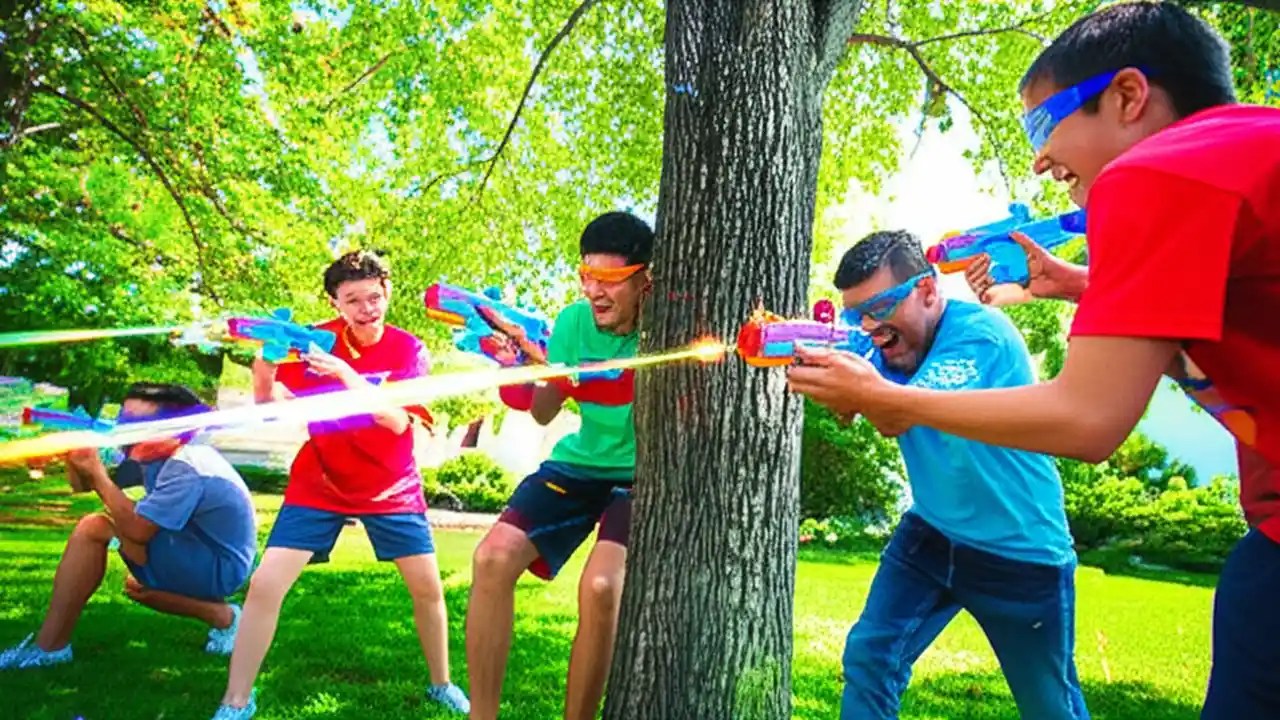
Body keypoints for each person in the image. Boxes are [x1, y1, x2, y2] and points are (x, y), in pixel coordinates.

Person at [786, 3, 1279, 719]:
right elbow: (1210, 330)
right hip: (941, 535)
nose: (1040, 160)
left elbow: (1088, 420)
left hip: (1023, 556)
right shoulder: (1237, 155)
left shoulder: (1155, 174)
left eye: (1043, 127)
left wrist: (890, 401)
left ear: (1129, 96)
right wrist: (1087, 286)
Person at [802, 231, 1088, 719]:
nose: (870, 328)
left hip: (1019, 553)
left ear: (928, 291)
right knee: (871, 656)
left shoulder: (981, 336)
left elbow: (900, 414)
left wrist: (857, 392)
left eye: (882, 307)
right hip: (932, 533)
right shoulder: (884, 348)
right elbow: (868, 400)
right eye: (857, 315)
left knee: (1050, 707)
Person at [211, 250, 468, 719]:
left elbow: (395, 422)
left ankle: (441, 684)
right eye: (354, 300)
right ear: (335, 302)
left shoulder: (408, 349)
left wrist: (346, 374)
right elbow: (266, 404)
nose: (367, 308)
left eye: (375, 296)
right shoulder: (311, 341)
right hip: (321, 479)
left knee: (427, 589)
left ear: (387, 292)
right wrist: (264, 363)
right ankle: (236, 700)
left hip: (391, 485)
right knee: (265, 585)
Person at [464, 211, 652, 720]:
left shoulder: (666, 328)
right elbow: (545, 410)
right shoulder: (572, 322)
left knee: (601, 586)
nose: (595, 291)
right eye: (586, 276)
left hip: (642, 477)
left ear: (644, 278)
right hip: (579, 464)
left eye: (610, 280)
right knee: (491, 558)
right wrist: (525, 364)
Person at [0, 383, 256, 669]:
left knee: (94, 527)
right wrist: (76, 456)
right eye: (124, 419)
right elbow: (80, 486)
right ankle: (226, 618)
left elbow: (138, 531)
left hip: (220, 567)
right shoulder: (151, 450)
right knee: (136, 584)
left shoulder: (187, 466)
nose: (124, 429)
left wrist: (97, 473)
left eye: (138, 424)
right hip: (195, 547)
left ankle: (49, 649)